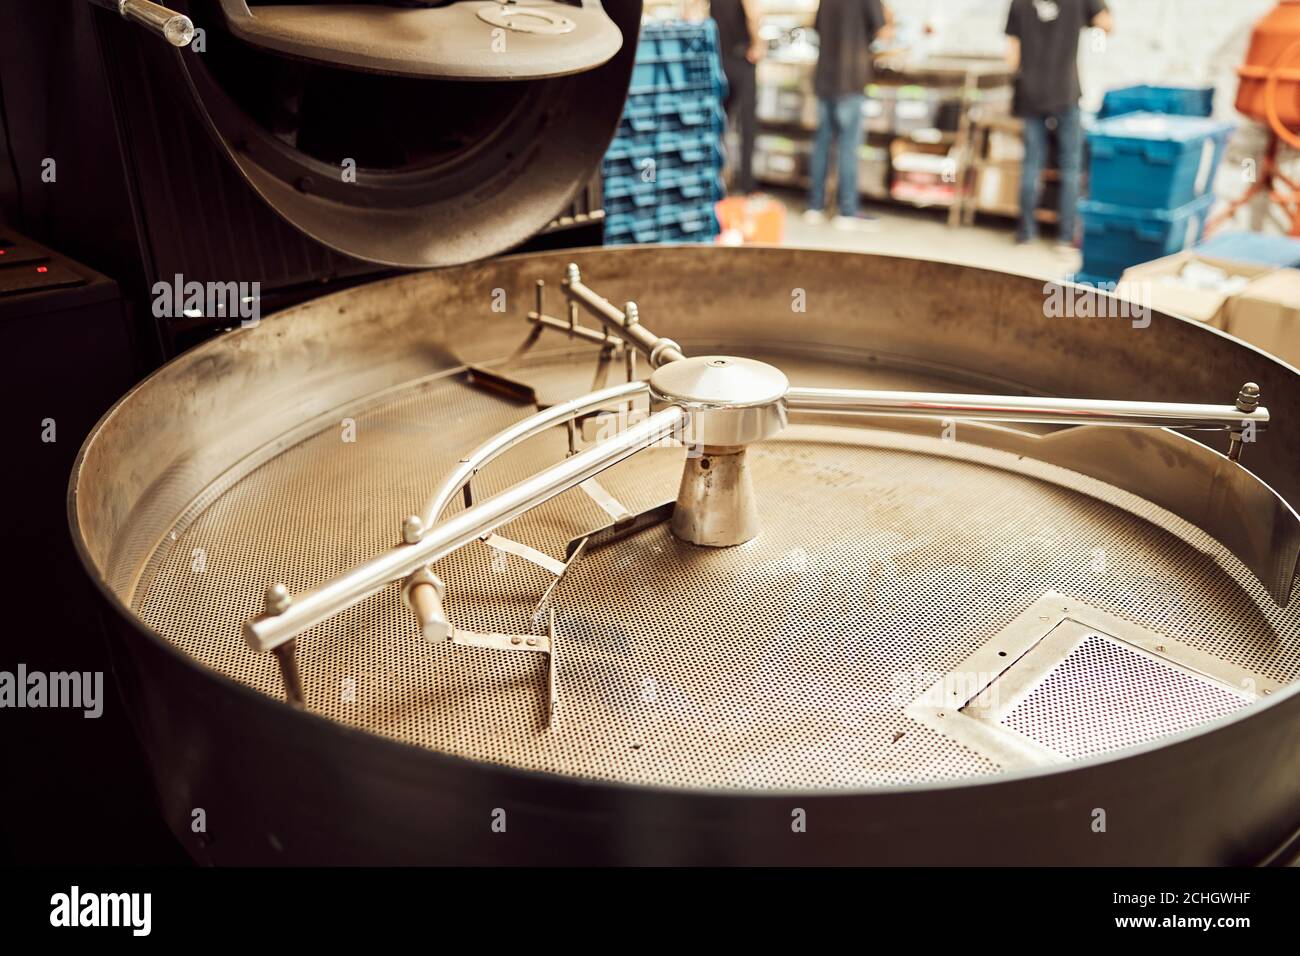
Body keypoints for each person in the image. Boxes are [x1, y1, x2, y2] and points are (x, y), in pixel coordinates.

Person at [1004, 0, 1113, 248]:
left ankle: (1025, 233)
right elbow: (1105, 25)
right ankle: (1065, 238)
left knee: (1032, 164)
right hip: (1065, 92)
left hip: (1030, 94)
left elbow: (1011, 55)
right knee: (1071, 167)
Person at [805, 0, 890, 228]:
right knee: (848, 148)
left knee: (822, 146)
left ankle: (815, 207)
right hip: (850, 79)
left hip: (825, 79)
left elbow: (817, 28)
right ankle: (847, 211)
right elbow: (883, 32)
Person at [713, 0, 766, 195]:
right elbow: (752, 13)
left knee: (718, 125)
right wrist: (758, 44)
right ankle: (746, 185)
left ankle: (716, 178)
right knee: (747, 127)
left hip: (719, 60)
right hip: (742, 59)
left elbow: (692, 12)